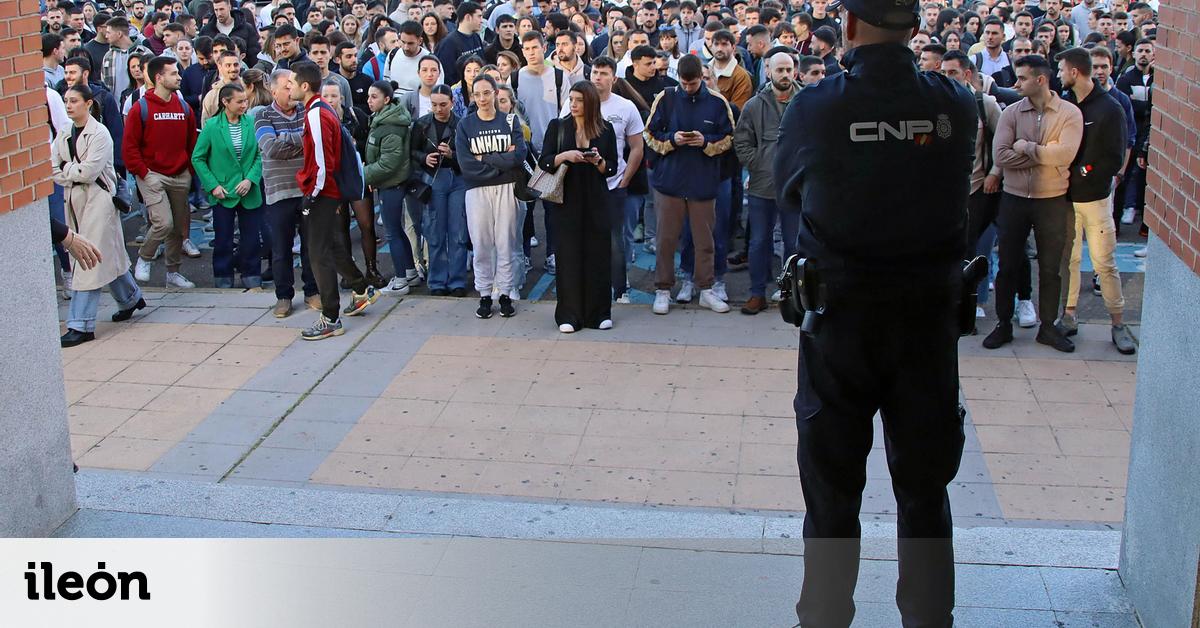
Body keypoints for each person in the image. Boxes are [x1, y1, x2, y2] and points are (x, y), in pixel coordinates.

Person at [772, 0, 981, 622]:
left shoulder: (817, 105)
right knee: (924, 489)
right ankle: (927, 616)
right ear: (915, 28)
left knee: (833, 491)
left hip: (840, 321)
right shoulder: (955, 104)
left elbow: (787, 186)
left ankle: (827, 614)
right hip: (926, 323)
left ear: (851, 26)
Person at [985, 54, 1082, 352]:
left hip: (1051, 200)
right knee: (1008, 265)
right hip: (1014, 198)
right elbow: (1000, 155)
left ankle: (1048, 327)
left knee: (1051, 267)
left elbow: (1065, 155)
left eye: (1022, 78)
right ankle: (1003, 324)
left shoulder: (1069, 113)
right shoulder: (1012, 112)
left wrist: (1026, 148)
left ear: (1040, 79)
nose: (1015, 83)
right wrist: (1044, 155)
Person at [1055, 48, 1137, 354]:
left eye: (1062, 69)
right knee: (1070, 260)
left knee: (1104, 263)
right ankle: (1069, 315)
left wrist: (1082, 171)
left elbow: (1114, 157)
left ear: (1075, 72)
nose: (1059, 74)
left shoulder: (1110, 108)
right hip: (1066, 200)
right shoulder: (1065, 104)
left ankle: (1118, 323)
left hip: (1096, 201)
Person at [291, 60, 379, 340]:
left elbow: (322, 161)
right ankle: (361, 287)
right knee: (332, 244)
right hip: (329, 191)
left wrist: (312, 195)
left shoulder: (316, 114)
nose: (289, 87)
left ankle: (330, 318)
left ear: (304, 86)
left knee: (318, 254)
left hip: (323, 192)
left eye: (292, 83)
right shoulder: (321, 109)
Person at [54, 84, 146, 348]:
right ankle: (131, 297)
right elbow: (53, 169)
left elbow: (88, 172)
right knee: (109, 253)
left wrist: (66, 168)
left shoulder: (100, 133)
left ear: (89, 103)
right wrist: (70, 170)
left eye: (74, 100)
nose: (69, 105)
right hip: (73, 200)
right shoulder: (63, 132)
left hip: (98, 201)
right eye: (66, 100)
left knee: (87, 257)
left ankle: (80, 324)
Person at [644, 54, 733, 315]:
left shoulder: (718, 102)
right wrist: (672, 140)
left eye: (692, 84)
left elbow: (729, 138)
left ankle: (705, 288)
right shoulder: (666, 97)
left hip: (703, 181)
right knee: (666, 239)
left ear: (701, 81)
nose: (687, 88)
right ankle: (663, 289)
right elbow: (649, 134)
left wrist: (705, 142)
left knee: (705, 239)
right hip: (669, 181)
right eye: (683, 83)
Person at [540, 81, 619, 333]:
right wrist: (566, 156)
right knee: (569, 254)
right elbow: (545, 161)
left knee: (598, 253)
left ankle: (598, 313)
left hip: (596, 198)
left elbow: (612, 167)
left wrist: (597, 161)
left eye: (579, 100)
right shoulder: (558, 126)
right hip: (567, 198)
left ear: (591, 103)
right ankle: (569, 314)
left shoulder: (605, 130)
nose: (573, 104)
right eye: (571, 99)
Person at [455, 74, 528, 319]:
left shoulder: (509, 121)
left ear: (496, 93)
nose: (483, 98)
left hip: (507, 188)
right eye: (478, 94)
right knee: (481, 244)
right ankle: (485, 294)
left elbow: (519, 157)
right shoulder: (465, 125)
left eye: (487, 92)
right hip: (476, 191)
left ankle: (505, 293)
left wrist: (484, 158)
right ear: (473, 97)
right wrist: (500, 160)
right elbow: (466, 165)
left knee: (506, 242)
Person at [123, 56, 198, 289]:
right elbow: (129, 148)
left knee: (177, 228)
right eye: (174, 73)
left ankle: (173, 273)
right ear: (159, 78)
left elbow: (192, 143)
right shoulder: (140, 108)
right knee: (163, 223)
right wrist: (145, 174)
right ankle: (144, 258)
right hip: (152, 175)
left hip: (180, 175)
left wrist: (188, 171)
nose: (179, 77)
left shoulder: (183, 106)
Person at [734, 51, 799, 315]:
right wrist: (759, 165)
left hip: (796, 187)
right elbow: (742, 141)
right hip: (762, 186)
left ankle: (793, 294)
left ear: (795, 71)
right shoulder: (753, 106)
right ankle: (757, 293)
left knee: (794, 244)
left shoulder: (806, 101)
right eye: (779, 69)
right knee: (759, 242)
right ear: (768, 71)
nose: (784, 74)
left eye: (788, 69)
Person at [256, 68, 320, 318]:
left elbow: (315, 141)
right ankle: (283, 296)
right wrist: (300, 141)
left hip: (306, 191)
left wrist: (287, 138)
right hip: (279, 192)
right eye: (287, 86)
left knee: (310, 246)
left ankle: (312, 291)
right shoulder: (262, 116)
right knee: (280, 249)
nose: (292, 89)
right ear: (273, 91)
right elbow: (270, 148)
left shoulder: (307, 111)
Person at [192, 82, 264, 289]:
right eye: (239, 101)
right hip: (223, 192)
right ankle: (222, 276)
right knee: (223, 239)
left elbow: (260, 154)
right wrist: (212, 186)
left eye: (245, 101)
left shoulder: (251, 122)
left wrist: (250, 179)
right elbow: (198, 158)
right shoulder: (213, 126)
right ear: (225, 102)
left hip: (248, 190)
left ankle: (252, 274)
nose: (244, 105)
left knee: (251, 238)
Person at [587, 56, 645, 305]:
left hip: (614, 185)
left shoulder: (626, 107)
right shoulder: (575, 103)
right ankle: (591, 284)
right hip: (585, 185)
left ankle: (620, 289)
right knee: (588, 237)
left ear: (614, 78)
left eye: (603, 73)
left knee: (616, 240)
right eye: (594, 73)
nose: (597, 77)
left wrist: (624, 181)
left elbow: (637, 148)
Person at [320, 81, 384, 288]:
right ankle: (349, 273)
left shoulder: (355, 115)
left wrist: (359, 149)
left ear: (341, 97)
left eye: (334, 96)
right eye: (326, 96)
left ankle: (372, 269)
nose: (330, 100)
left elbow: (372, 141)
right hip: (335, 180)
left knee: (366, 224)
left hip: (357, 175)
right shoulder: (319, 119)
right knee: (341, 228)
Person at [410, 84, 469, 296]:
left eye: (443, 105)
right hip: (433, 178)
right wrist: (424, 157)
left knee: (458, 231)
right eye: (434, 105)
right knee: (434, 231)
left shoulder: (462, 124)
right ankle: (437, 281)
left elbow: (471, 156)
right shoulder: (422, 124)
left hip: (457, 179)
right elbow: (412, 151)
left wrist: (453, 154)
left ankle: (457, 281)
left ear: (452, 103)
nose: (438, 109)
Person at [363, 80, 416, 295]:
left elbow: (388, 163)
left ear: (387, 99)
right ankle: (410, 271)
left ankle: (401, 279)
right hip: (389, 183)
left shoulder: (390, 126)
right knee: (397, 230)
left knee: (392, 233)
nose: (369, 101)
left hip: (391, 185)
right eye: (368, 96)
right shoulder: (382, 119)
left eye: (374, 97)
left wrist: (362, 175)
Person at [435, 1, 485, 86]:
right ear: (468, 17)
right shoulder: (449, 43)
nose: (482, 21)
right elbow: (447, 75)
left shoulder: (476, 37)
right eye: (479, 17)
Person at [710, 29, 752, 107]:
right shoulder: (704, 71)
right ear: (711, 47)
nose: (719, 49)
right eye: (716, 44)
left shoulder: (741, 76)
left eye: (724, 44)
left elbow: (738, 110)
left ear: (733, 47)